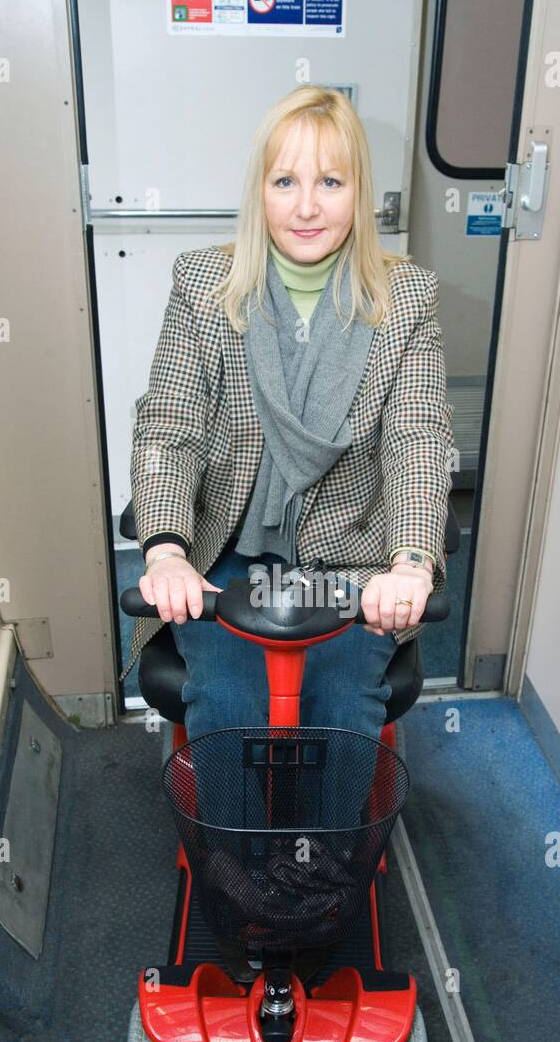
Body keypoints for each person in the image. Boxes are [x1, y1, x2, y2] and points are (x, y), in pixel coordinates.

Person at [124, 85, 453, 746]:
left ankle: (335, 853)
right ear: (260, 192)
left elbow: (419, 439)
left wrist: (412, 561)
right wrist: (165, 552)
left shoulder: (406, 298)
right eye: (285, 181)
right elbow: (169, 427)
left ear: (358, 192)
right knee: (227, 703)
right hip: (226, 562)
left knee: (340, 706)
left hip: (352, 563)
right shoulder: (202, 286)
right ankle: (228, 852)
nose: (307, 206)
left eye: (330, 181)